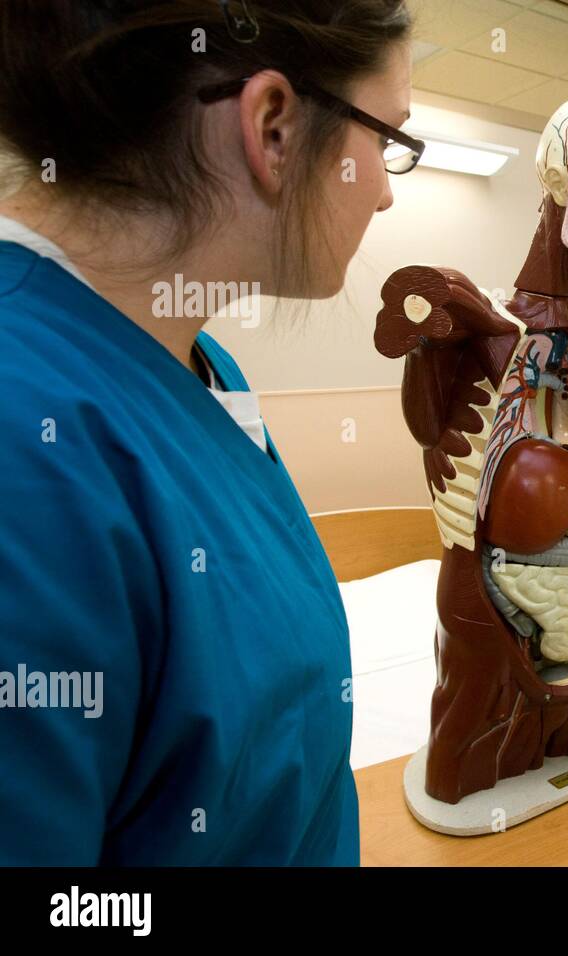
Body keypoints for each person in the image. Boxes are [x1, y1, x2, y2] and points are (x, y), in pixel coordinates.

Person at [0, 0, 416, 864]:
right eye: (389, 139)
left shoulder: (196, 359)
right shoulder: (26, 449)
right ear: (272, 127)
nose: (382, 189)